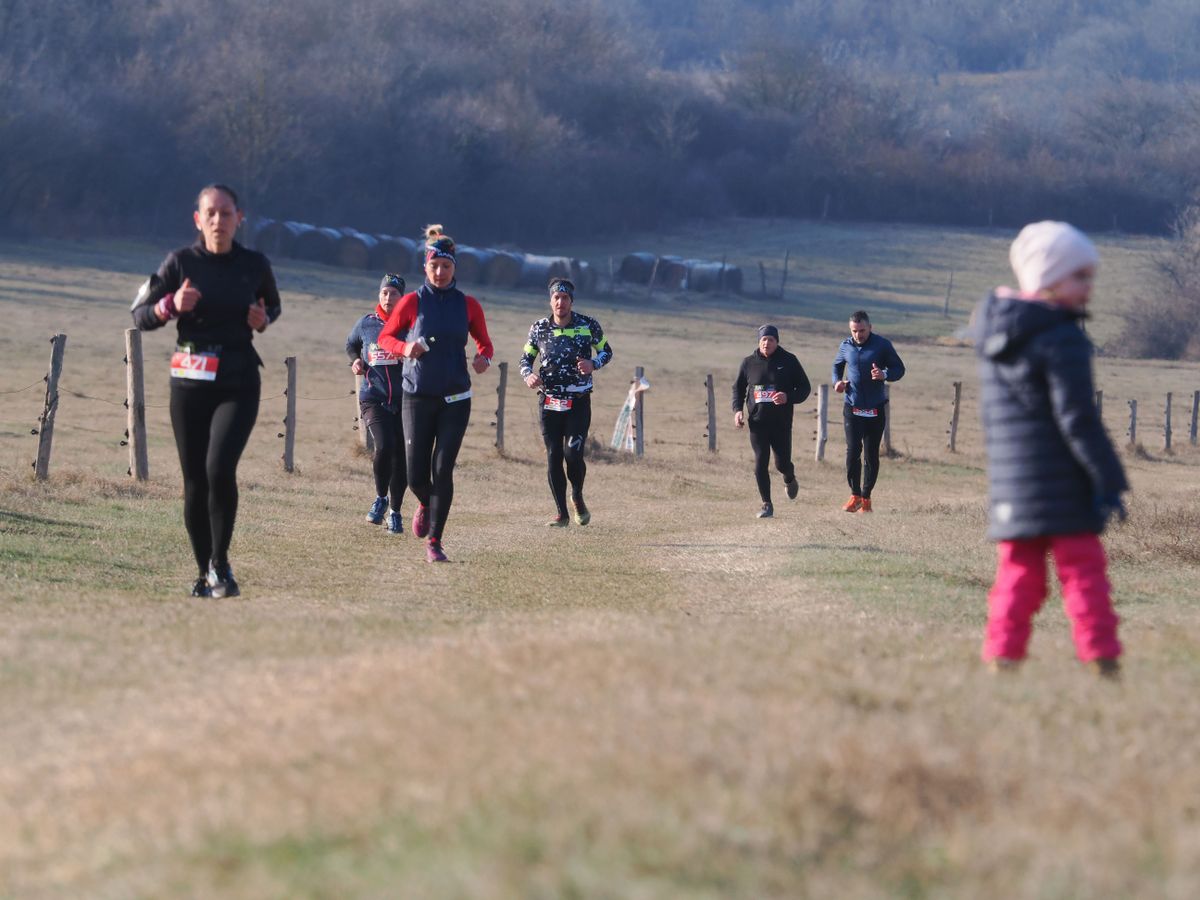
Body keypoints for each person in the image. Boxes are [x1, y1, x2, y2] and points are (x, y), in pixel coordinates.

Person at [974, 221, 1128, 677]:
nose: (1089, 287)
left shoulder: (995, 336)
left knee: (1017, 575)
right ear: (1048, 278)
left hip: (1013, 485)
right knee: (1084, 572)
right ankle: (1102, 660)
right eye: (1079, 276)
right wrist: (1108, 480)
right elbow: (1078, 419)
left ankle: (1002, 659)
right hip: (1064, 484)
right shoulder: (1063, 338)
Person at [130, 183, 281, 598]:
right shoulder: (179, 262)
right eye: (210, 213)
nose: (218, 221)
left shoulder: (254, 264)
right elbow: (139, 314)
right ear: (198, 219)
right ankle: (204, 573)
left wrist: (263, 319)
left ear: (239, 218)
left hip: (238, 379)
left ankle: (220, 562)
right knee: (195, 479)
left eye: (226, 213)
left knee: (219, 468)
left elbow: (273, 305)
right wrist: (170, 306)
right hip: (190, 381)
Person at [377, 225, 493, 562]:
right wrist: (405, 347)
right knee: (416, 475)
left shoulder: (468, 305)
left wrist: (483, 359)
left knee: (442, 470)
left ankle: (435, 542)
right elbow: (385, 338)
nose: (440, 273)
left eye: (446, 266)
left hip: (456, 399)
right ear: (425, 267)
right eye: (434, 266)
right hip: (417, 395)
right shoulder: (412, 302)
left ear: (454, 267)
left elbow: (485, 344)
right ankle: (426, 503)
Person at [519, 277, 613, 526]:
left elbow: (607, 351)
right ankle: (561, 514)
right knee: (553, 456)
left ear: (571, 301)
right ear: (550, 301)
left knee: (573, 455)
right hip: (549, 401)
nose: (560, 302)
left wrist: (593, 363)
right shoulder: (539, 328)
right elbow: (525, 360)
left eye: (565, 298)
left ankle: (577, 496)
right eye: (556, 297)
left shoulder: (588, 325)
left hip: (578, 402)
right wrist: (528, 376)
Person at [346, 273, 409, 534]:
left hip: (406, 401)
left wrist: (411, 357)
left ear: (402, 298)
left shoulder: (412, 325)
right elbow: (351, 344)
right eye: (384, 292)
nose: (388, 297)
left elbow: (427, 350)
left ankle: (395, 513)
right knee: (384, 446)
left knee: (402, 457)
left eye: (393, 293)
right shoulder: (366, 323)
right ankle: (380, 498)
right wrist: (355, 360)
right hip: (374, 397)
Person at [732, 324, 811, 518]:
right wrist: (737, 410)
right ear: (759, 341)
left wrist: (787, 397)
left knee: (782, 464)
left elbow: (804, 388)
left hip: (781, 423)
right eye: (763, 339)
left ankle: (789, 477)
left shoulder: (789, 361)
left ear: (777, 342)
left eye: (771, 340)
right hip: (757, 422)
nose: (767, 343)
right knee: (760, 462)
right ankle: (767, 504)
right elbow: (738, 388)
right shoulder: (748, 363)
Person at [831, 311, 905, 513]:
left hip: (875, 409)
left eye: (862, 330)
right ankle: (854, 495)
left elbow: (899, 369)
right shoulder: (845, 346)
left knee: (871, 455)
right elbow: (836, 366)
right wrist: (837, 382)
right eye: (854, 331)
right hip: (852, 407)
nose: (858, 335)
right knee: (853, 450)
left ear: (870, 328)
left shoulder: (882, 345)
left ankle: (866, 498)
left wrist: (884, 374)